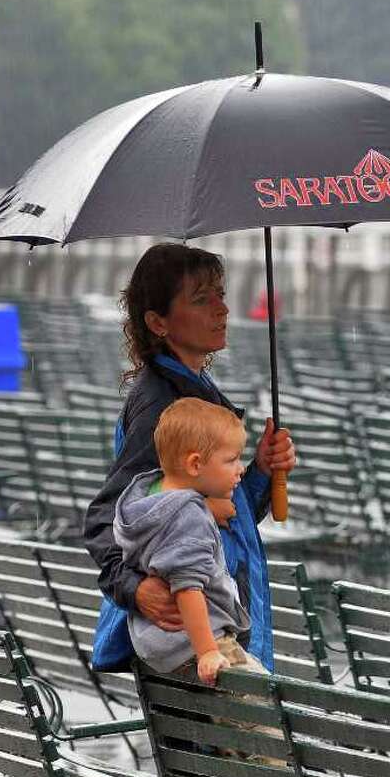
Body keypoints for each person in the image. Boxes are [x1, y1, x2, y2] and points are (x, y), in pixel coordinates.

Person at [85, 243, 297, 673]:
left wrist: (260, 470)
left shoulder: (193, 392)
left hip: (208, 624)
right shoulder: (164, 407)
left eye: (221, 294)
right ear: (158, 322)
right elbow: (107, 517)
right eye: (201, 299)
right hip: (196, 638)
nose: (222, 309)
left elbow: (214, 512)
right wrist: (134, 588)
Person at [114, 398, 259, 682]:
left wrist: (206, 506)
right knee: (268, 706)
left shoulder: (148, 497)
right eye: (231, 460)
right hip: (201, 640)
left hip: (156, 642)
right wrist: (208, 652)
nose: (240, 468)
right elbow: (188, 588)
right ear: (195, 464)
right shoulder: (188, 518)